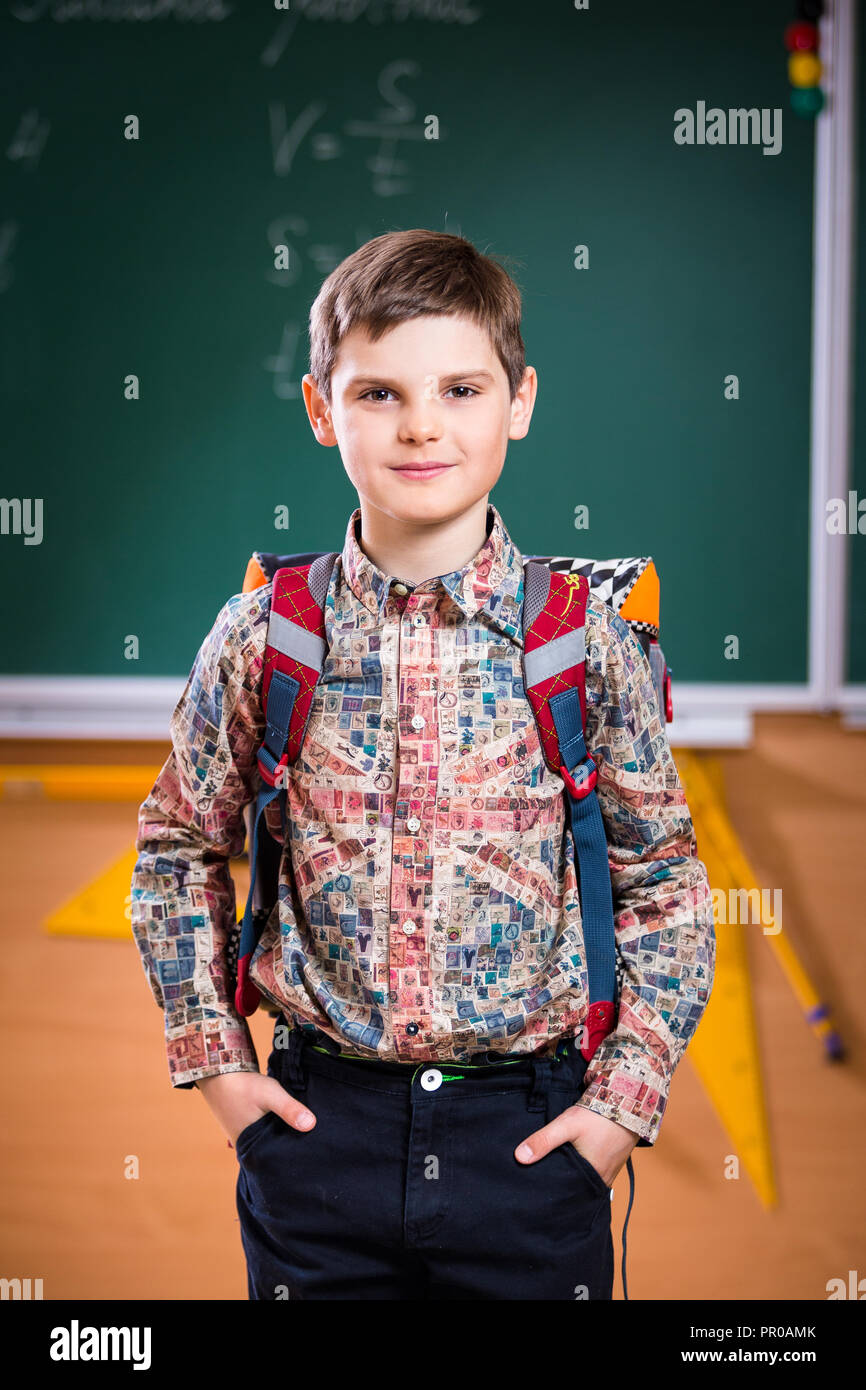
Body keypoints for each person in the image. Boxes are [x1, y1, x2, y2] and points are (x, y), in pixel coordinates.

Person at [130, 227, 715, 1300]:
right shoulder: (266, 636)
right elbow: (176, 849)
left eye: (458, 387)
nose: (421, 426)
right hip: (318, 1135)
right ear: (320, 411)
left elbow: (663, 878)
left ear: (518, 401)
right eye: (377, 394)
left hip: (532, 1136)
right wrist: (214, 1058)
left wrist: (618, 1106)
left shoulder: (582, 644)